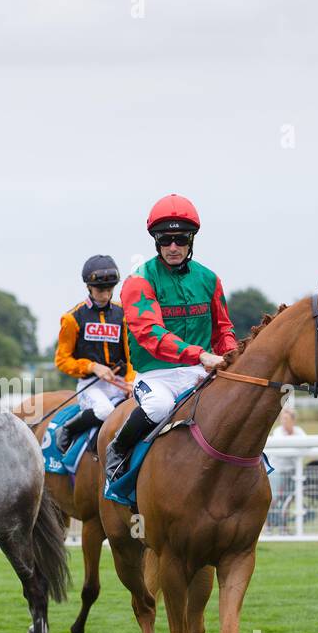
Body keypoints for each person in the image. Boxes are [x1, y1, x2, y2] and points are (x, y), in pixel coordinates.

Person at [106, 193, 238, 480]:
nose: (173, 247)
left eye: (181, 239)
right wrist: (201, 354)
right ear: (156, 241)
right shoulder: (139, 281)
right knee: (159, 407)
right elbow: (151, 334)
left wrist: (232, 356)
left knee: (236, 405)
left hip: (199, 372)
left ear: (191, 240)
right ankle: (117, 450)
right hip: (156, 377)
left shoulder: (209, 279)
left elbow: (223, 330)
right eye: (166, 240)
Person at [53, 255, 135, 452]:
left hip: (121, 383)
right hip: (91, 386)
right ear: (89, 287)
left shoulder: (124, 314)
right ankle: (67, 428)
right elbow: (62, 360)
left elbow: (131, 355)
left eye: (110, 289)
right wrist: (92, 366)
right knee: (105, 411)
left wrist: (132, 381)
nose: (106, 295)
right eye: (100, 290)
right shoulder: (72, 318)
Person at [266, 407, 307, 528]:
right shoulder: (278, 432)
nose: (283, 422)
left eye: (286, 419)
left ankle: (284, 527)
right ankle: (268, 525)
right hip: (277, 471)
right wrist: (295, 449)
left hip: (292, 471)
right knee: (273, 499)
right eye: (282, 419)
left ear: (293, 420)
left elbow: (306, 446)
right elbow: (285, 451)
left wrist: (294, 449)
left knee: (287, 500)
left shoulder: (299, 432)